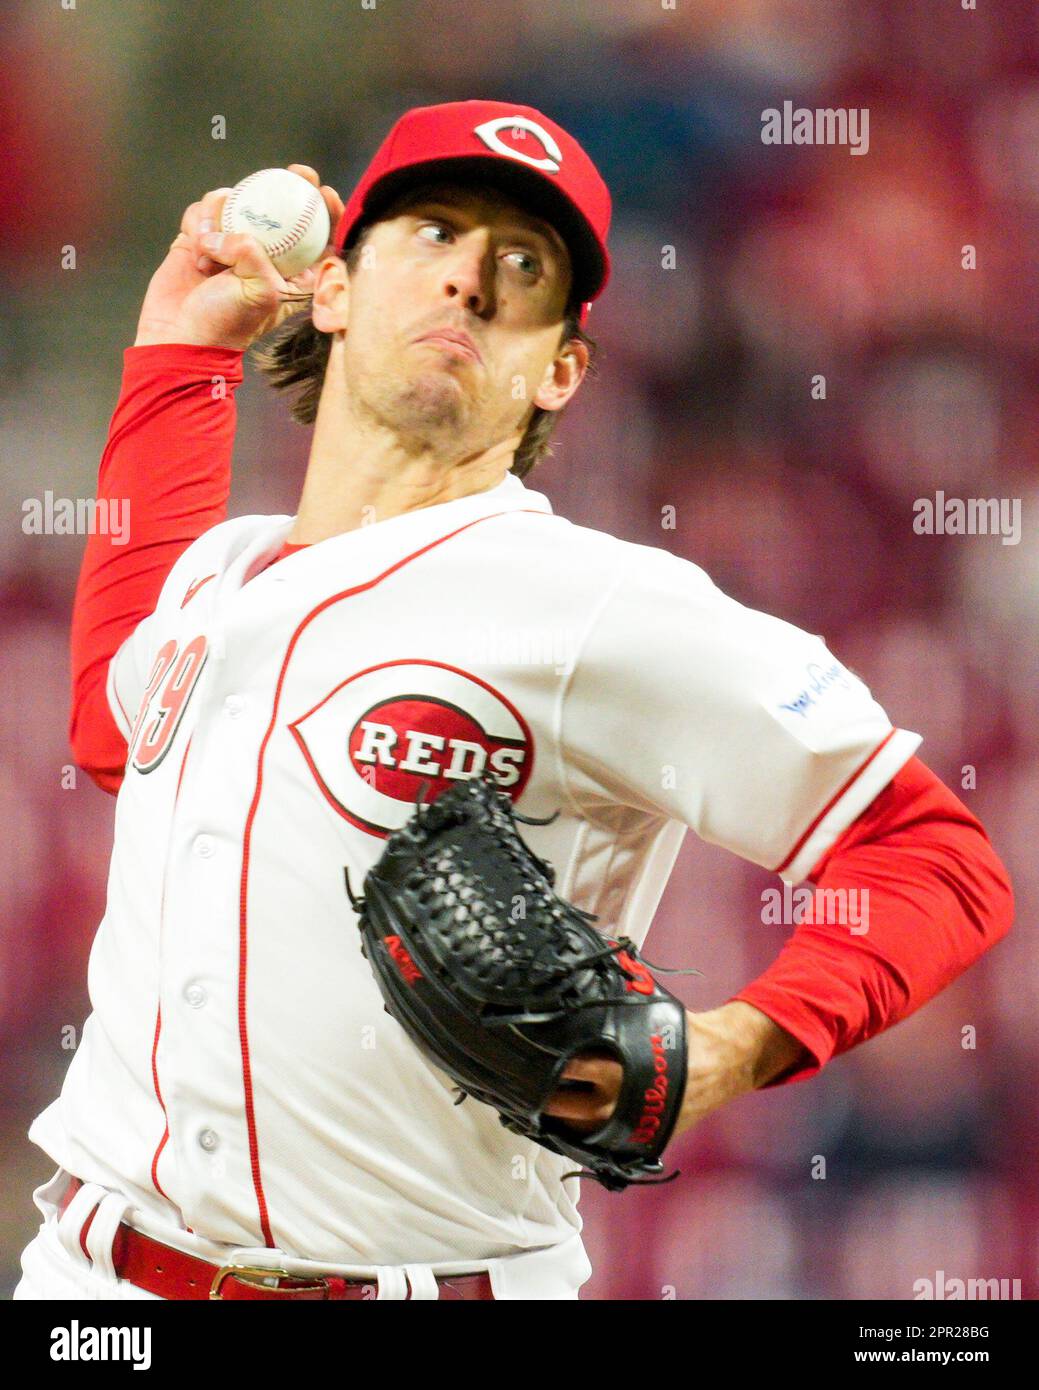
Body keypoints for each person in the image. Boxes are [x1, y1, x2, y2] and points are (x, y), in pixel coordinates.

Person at [15, 100, 1013, 1301]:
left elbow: (936, 857)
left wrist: (731, 1049)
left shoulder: (597, 606)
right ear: (331, 289)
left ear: (560, 369)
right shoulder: (220, 571)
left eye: (523, 265)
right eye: (434, 231)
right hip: (91, 1284)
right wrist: (179, 357)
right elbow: (118, 731)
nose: (472, 277)